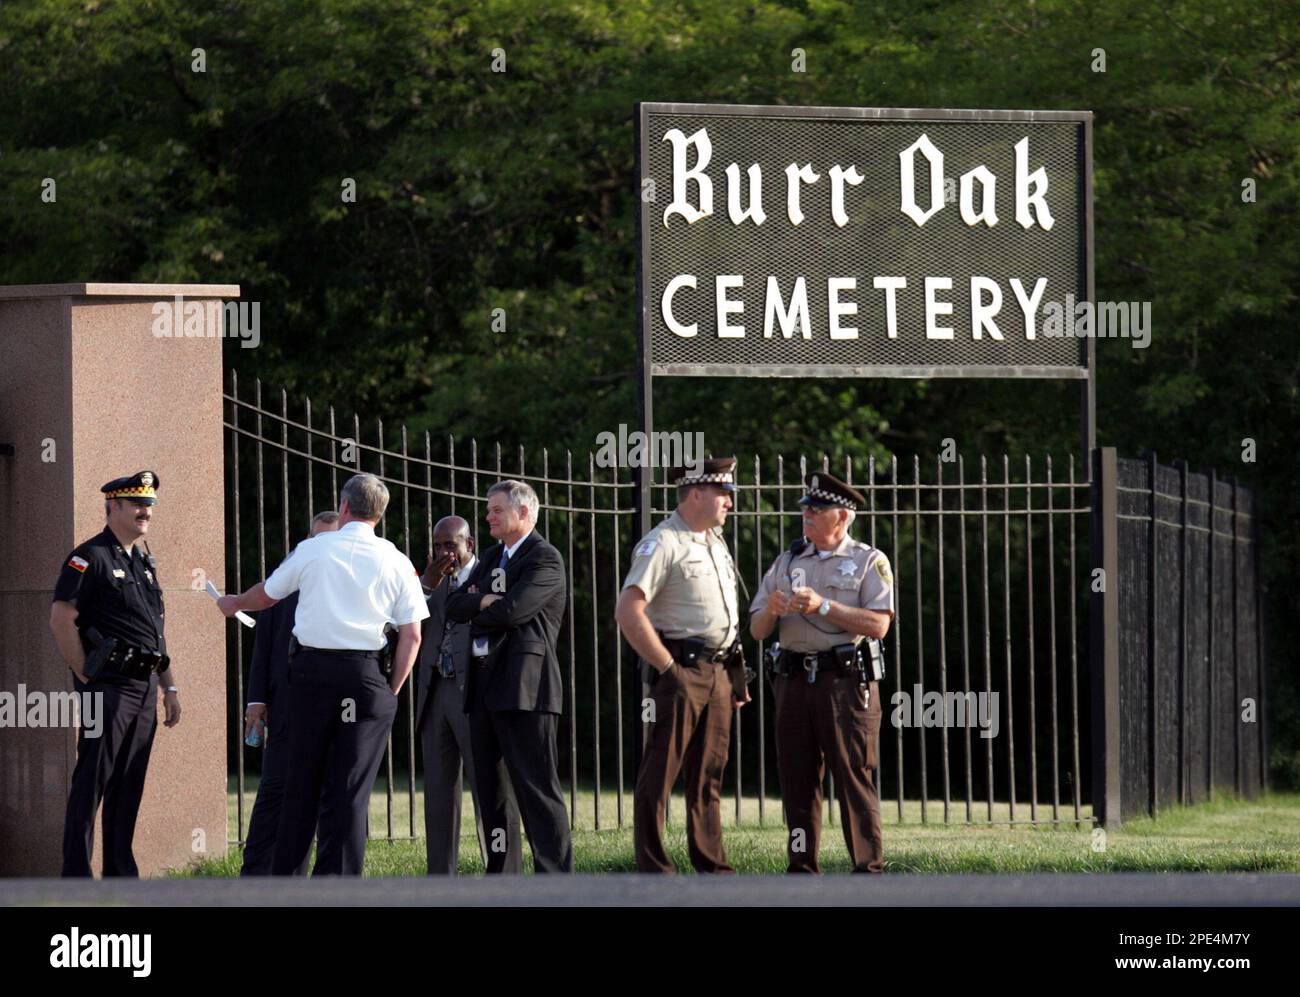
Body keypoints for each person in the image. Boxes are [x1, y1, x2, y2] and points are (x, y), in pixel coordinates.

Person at [216, 473, 428, 876]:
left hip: (312, 676)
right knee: (350, 791)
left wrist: (234, 602)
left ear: (345, 506)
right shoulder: (397, 560)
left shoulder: (315, 549)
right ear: (379, 515)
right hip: (366, 676)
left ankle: (287, 882)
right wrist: (390, 689)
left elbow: (268, 594)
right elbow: (412, 635)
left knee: (301, 783)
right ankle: (338, 884)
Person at [749, 470, 893, 874]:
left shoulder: (868, 561)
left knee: (853, 776)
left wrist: (824, 607)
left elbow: (880, 625)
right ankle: (801, 868)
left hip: (844, 681)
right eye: (805, 509)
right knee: (797, 780)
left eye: (817, 509)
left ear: (843, 517)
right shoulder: (789, 558)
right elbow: (757, 629)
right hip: (793, 681)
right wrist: (771, 611)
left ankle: (867, 871)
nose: (807, 515)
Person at [616, 457, 748, 875]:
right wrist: (669, 668)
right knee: (661, 772)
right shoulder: (664, 542)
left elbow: (724, 615)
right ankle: (654, 867)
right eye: (723, 494)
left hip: (721, 672)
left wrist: (737, 676)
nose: (729, 502)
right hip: (683, 671)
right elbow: (628, 611)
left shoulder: (714, 541)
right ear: (697, 494)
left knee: (709, 774)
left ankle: (711, 866)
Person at [49, 470, 182, 877]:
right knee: (91, 783)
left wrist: (169, 686)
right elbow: (61, 618)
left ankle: (120, 872)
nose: (147, 511)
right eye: (138, 504)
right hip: (106, 688)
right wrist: (84, 674)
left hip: (143, 688)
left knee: (129, 786)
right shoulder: (88, 557)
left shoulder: (143, 562)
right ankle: (76, 876)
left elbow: (154, 631)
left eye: (150, 505)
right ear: (113, 507)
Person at [445, 480, 573, 874]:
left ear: (525, 512)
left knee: (536, 788)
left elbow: (513, 612)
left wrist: (478, 607)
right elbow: (453, 604)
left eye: (496, 509)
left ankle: (554, 877)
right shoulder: (489, 557)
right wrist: (483, 600)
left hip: (525, 689)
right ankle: (500, 877)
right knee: (491, 791)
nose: (488, 516)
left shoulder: (544, 559)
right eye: (488, 509)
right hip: (483, 688)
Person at [416, 514, 521, 874]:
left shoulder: (489, 575)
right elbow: (403, 625)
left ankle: (505, 874)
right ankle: (440, 877)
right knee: (439, 794)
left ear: (469, 545)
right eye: (438, 545)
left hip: (476, 693)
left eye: (451, 545)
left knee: (491, 790)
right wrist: (426, 587)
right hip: (435, 693)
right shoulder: (430, 582)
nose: (445, 552)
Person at [239, 510, 340, 876]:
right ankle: (254, 876)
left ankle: (309, 879)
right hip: (283, 709)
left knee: (326, 797)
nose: (319, 547)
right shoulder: (287, 579)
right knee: (274, 794)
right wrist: (255, 701)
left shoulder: (350, 586)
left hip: (331, 708)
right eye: (315, 539)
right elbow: (264, 645)